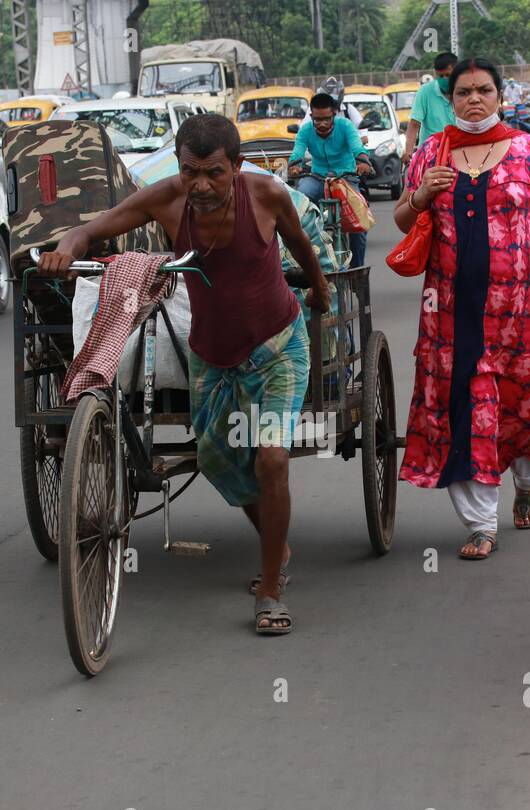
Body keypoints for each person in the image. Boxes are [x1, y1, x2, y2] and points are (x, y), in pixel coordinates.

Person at [36, 115, 331, 634]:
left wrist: (320, 290)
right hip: (212, 357)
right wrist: (67, 250)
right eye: (189, 171)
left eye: (214, 173)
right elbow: (91, 229)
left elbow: (302, 249)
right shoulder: (166, 199)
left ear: (236, 167)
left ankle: (268, 587)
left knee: (271, 458)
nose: (200, 185)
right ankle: (274, 539)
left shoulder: (266, 195)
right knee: (217, 460)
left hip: (278, 348)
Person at [393, 58, 530, 559]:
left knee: (524, 408)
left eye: (484, 90)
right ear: (451, 99)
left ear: (500, 97)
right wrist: (421, 195)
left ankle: (527, 485)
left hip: (523, 314)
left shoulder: (529, 151)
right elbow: (401, 219)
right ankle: (481, 523)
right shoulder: (430, 155)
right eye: (464, 93)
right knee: (470, 407)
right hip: (451, 318)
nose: (474, 100)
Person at [286, 93, 374, 268]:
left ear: (334, 114)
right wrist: (294, 165)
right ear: (311, 116)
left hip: (346, 178)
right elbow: (297, 152)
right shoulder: (305, 130)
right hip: (317, 178)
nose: (322, 124)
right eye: (317, 120)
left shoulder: (346, 125)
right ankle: (304, 262)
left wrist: (363, 161)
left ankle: (357, 270)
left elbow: (357, 147)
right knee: (300, 202)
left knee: (359, 225)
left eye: (326, 119)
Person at [404, 52, 459, 165]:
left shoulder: (465, 92)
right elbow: (414, 124)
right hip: (430, 155)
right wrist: (408, 152)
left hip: (459, 154)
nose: (444, 79)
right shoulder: (425, 91)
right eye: (440, 76)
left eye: (448, 75)